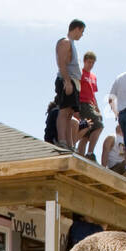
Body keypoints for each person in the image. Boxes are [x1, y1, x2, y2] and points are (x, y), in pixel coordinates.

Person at [53, 19, 86, 152]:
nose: (82, 35)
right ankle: (61, 141)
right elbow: (61, 63)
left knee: (70, 113)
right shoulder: (65, 42)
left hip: (74, 81)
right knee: (64, 110)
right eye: (82, 31)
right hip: (67, 80)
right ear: (76, 29)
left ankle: (68, 143)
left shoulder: (71, 44)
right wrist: (67, 81)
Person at [74, 50, 104, 160]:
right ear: (84, 61)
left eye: (92, 63)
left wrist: (98, 109)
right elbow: (76, 89)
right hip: (82, 103)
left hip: (90, 104)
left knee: (86, 132)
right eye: (89, 62)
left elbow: (93, 95)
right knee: (99, 126)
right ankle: (90, 153)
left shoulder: (93, 77)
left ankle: (80, 156)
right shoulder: (80, 73)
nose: (90, 65)